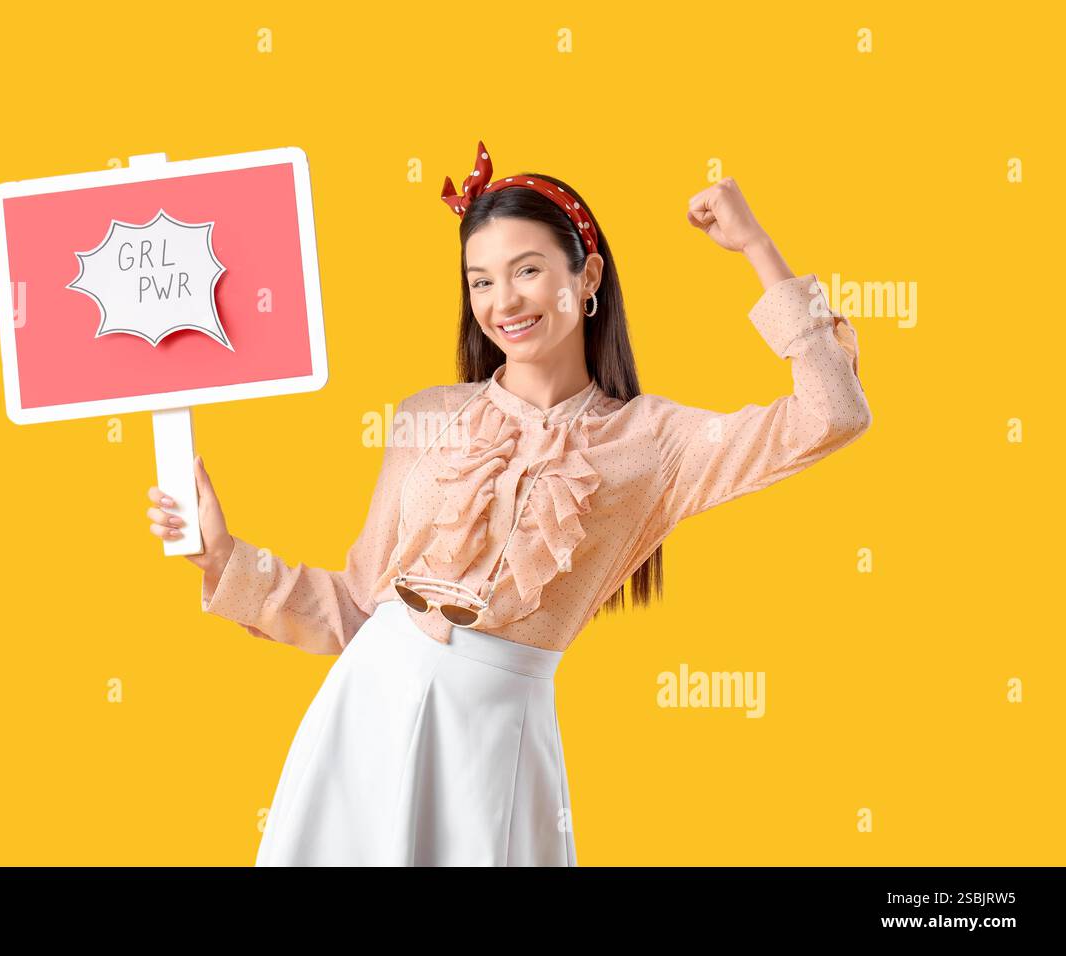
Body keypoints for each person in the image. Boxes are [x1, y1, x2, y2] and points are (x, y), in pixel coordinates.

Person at [145, 141, 871, 866]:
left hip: (494, 744)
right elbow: (359, 608)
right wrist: (225, 558)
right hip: (359, 720)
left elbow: (831, 413)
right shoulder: (426, 415)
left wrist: (756, 247)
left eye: (527, 271)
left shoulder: (655, 442)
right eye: (481, 281)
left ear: (586, 277)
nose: (504, 302)